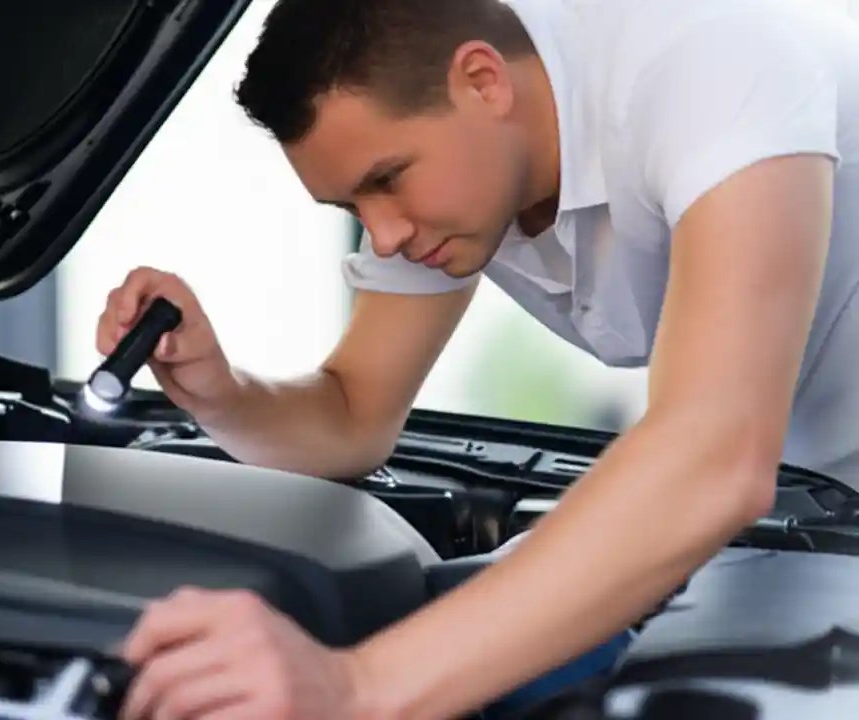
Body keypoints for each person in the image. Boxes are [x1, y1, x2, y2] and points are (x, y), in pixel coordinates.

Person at [95, 0, 859, 717]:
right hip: (800, 496)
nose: (383, 236)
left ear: (483, 81)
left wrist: (356, 688)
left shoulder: (710, 63)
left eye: (386, 180)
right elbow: (353, 416)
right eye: (353, 208)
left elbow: (714, 458)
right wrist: (221, 392)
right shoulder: (464, 177)